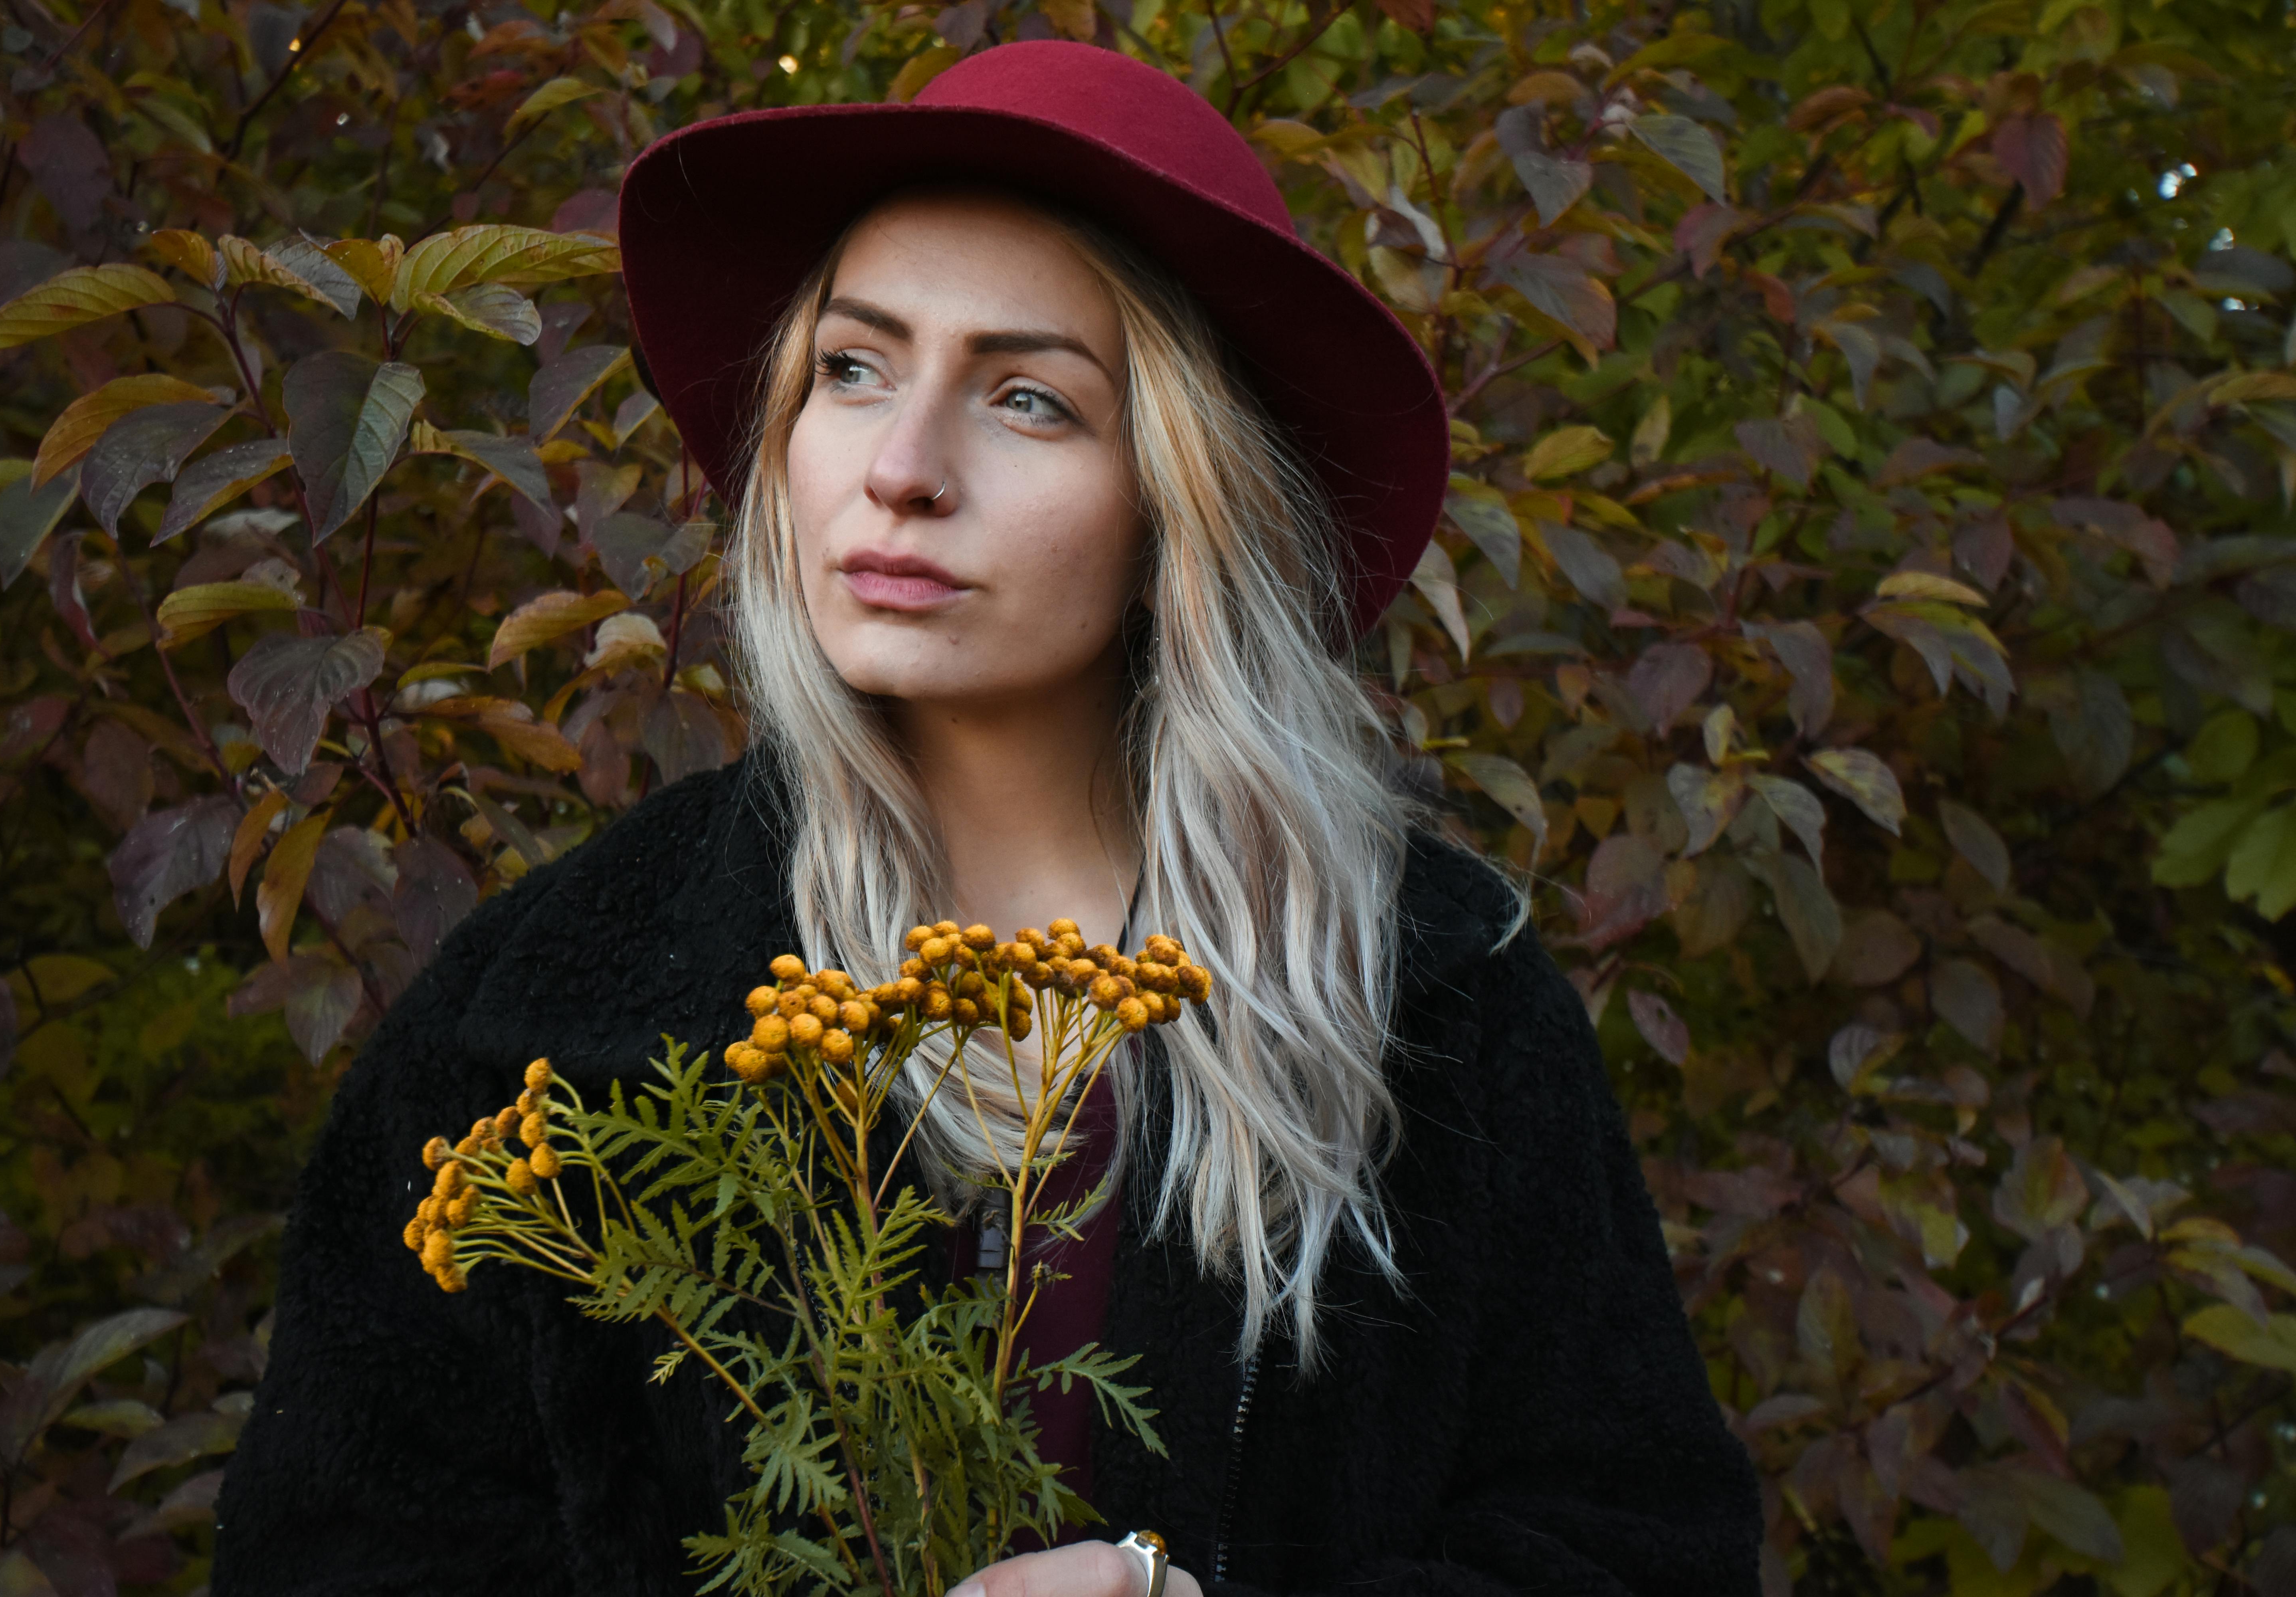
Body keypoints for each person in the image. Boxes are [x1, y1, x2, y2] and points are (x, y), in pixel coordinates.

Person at [215, 39, 1762, 1597]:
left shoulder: (1434, 1009)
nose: (902, 469)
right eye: (853, 368)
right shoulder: (540, 1026)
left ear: (1182, 501)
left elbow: (1644, 1553)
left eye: (1029, 400)